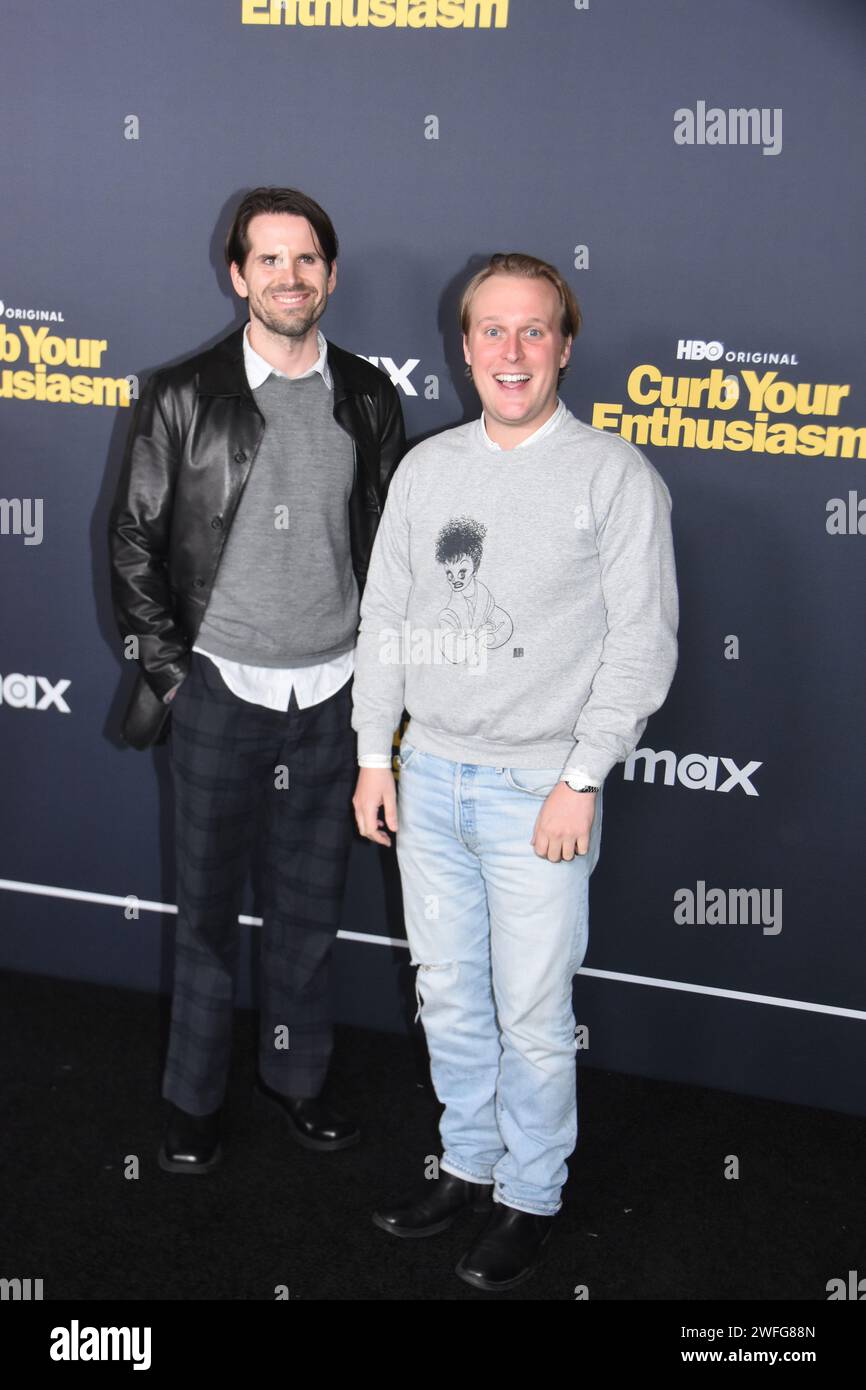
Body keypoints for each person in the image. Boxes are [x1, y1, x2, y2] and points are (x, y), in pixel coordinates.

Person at [351, 252, 678, 1290]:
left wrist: (580, 777)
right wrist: (374, 753)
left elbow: (642, 643)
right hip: (430, 772)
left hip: (538, 790)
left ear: (564, 346)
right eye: (491, 330)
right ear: (462, 345)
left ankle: (529, 1196)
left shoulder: (613, 475)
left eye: (531, 330)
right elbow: (386, 623)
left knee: (533, 1012)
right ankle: (467, 1162)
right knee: (446, 992)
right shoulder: (426, 468)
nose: (510, 350)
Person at [108, 186, 405, 1173]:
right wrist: (176, 676)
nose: (290, 276)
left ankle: (296, 1079)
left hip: (332, 701)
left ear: (328, 274)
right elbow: (135, 550)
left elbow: (393, 559)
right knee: (201, 919)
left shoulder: (365, 395)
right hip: (219, 697)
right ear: (237, 275)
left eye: (307, 258)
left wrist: (378, 697)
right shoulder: (182, 394)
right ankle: (191, 1100)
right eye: (269, 259)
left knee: (308, 914)